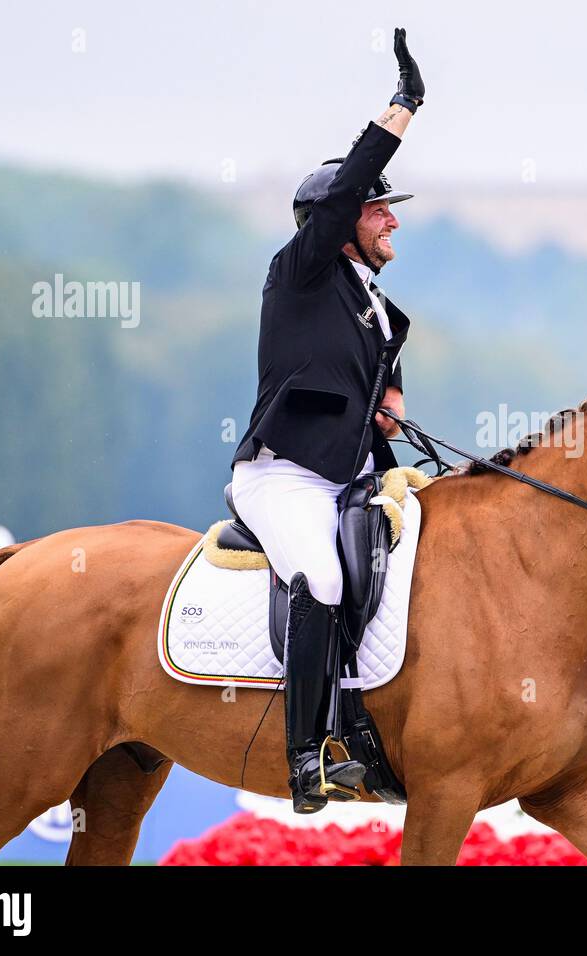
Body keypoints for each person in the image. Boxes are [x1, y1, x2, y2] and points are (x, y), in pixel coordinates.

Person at [229, 28, 424, 813]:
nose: (391, 222)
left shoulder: (370, 302)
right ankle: (306, 756)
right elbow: (349, 189)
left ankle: (365, 726)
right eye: (381, 209)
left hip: (350, 474)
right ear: (336, 219)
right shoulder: (300, 267)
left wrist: (388, 413)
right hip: (285, 474)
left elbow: (365, 387)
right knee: (323, 573)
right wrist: (403, 107)